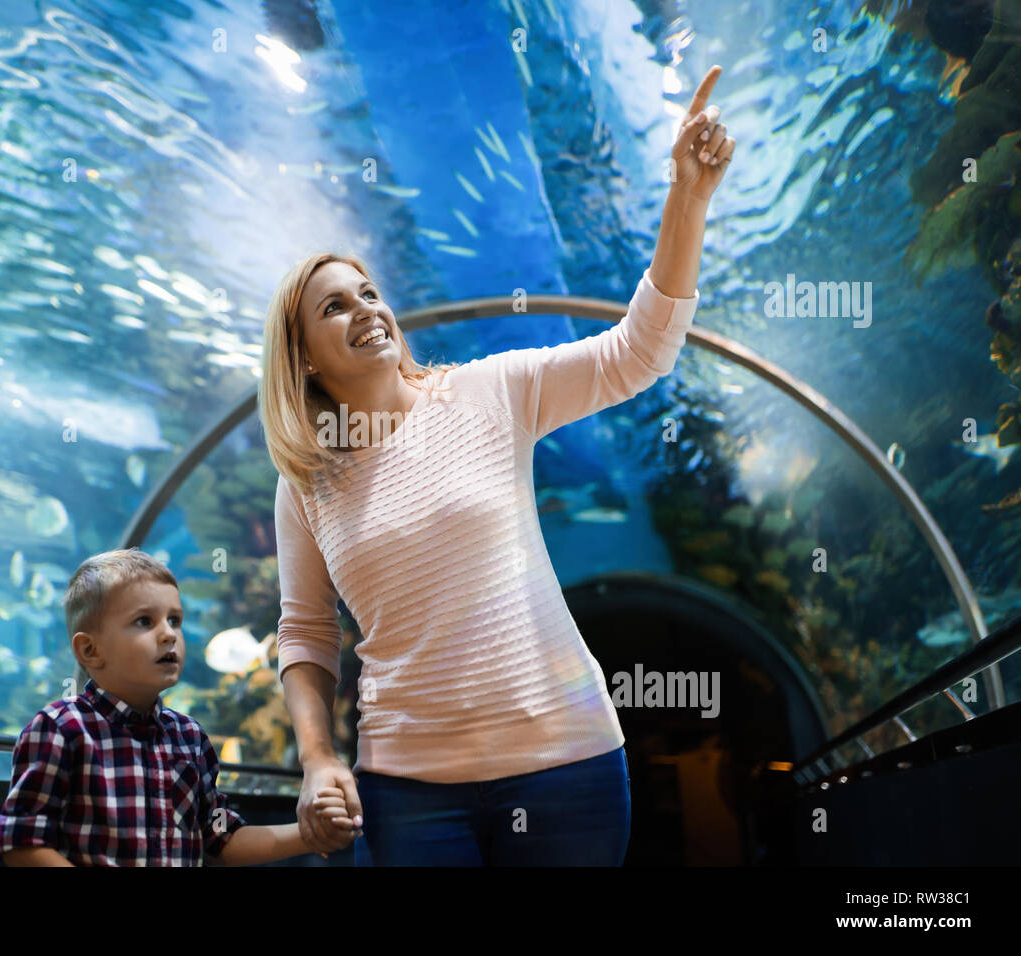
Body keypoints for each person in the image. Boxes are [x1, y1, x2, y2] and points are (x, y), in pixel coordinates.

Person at [258, 67, 735, 865]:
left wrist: (687, 196)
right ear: (301, 358)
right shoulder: (306, 477)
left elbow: (641, 352)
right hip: (408, 788)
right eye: (333, 307)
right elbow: (307, 632)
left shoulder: (490, 392)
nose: (366, 311)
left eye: (369, 293)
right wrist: (316, 758)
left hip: (569, 765)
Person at [0, 547, 361, 866]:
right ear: (90, 649)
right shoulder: (60, 729)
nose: (168, 633)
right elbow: (21, 842)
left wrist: (310, 833)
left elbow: (220, 838)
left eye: (175, 620)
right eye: (144, 621)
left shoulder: (189, 738)